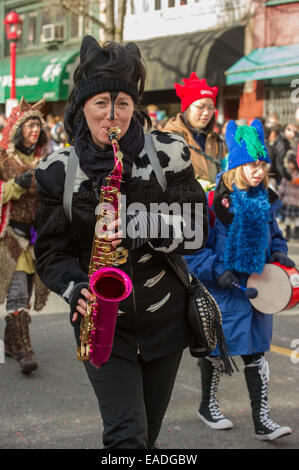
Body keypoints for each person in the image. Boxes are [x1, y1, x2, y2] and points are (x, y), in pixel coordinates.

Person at [33, 35, 208, 449]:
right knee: (125, 436)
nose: (113, 115)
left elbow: (198, 229)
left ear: (134, 106)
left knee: (147, 436)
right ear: (82, 107)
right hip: (101, 324)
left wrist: (136, 224)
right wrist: (73, 285)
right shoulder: (56, 171)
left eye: (123, 103)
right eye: (101, 104)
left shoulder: (169, 153)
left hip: (165, 321)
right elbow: (49, 250)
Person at [185, 119, 294, 441]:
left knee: (257, 354)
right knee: (216, 352)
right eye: (251, 164)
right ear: (236, 165)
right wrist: (214, 269)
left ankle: (263, 420)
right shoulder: (212, 201)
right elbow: (193, 248)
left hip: (258, 287)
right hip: (224, 288)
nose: (258, 171)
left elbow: (275, 237)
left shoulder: (266, 201)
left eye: (262, 164)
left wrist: (279, 253)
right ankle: (208, 406)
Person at [0, 97, 49, 374]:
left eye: (37, 126)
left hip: (35, 239)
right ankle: (24, 350)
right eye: (29, 125)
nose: (34, 130)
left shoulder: (45, 160)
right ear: (19, 129)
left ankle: (8, 342)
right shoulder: (4, 158)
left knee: (26, 292)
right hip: (11, 236)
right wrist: (15, 186)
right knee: (17, 294)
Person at [163, 73, 225, 186]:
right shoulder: (168, 138)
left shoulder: (215, 139)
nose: (206, 113)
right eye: (200, 107)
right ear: (187, 108)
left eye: (211, 108)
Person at [278, 151, 299, 240]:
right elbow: (282, 188)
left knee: (297, 219)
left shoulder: (297, 176)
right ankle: (288, 234)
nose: (290, 165)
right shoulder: (287, 176)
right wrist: (279, 196)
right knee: (287, 219)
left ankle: (297, 233)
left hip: (296, 200)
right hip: (288, 200)